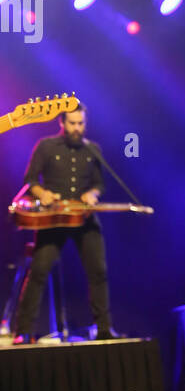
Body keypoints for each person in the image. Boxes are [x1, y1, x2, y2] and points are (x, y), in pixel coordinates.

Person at [13, 104, 118, 342]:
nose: (77, 128)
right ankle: (23, 331)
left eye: (81, 123)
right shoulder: (46, 146)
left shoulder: (93, 150)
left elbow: (99, 184)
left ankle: (103, 328)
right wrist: (43, 193)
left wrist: (93, 194)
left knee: (98, 272)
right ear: (62, 123)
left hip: (84, 218)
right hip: (54, 218)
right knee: (39, 270)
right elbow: (30, 179)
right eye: (72, 123)